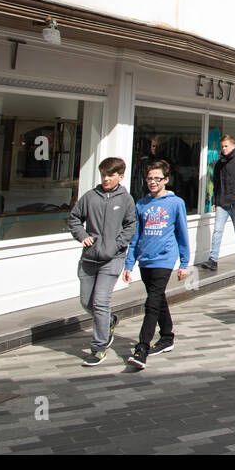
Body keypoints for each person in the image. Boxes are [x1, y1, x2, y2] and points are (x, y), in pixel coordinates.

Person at [68, 156, 138, 366]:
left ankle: (98, 347)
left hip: (113, 258)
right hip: (89, 258)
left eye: (111, 175)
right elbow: (74, 218)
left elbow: (130, 225)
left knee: (100, 301)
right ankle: (108, 321)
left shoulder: (126, 200)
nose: (106, 179)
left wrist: (117, 245)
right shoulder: (90, 197)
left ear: (120, 176)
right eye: (103, 174)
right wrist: (82, 235)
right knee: (86, 301)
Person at [122, 160, 190, 370]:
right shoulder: (141, 204)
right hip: (146, 259)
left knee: (151, 302)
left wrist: (184, 262)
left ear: (166, 180)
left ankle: (141, 349)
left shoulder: (175, 203)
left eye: (157, 178)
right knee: (158, 298)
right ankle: (167, 337)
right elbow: (136, 236)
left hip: (164, 258)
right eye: (150, 178)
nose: (153, 182)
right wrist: (129, 263)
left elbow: (182, 233)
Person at [203, 134, 235, 271]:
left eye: (226, 146)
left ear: (233, 146)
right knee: (217, 230)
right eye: (222, 146)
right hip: (222, 203)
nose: (224, 149)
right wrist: (214, 200)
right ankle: (213, 259)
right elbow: (216, 184)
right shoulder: (219, 163)